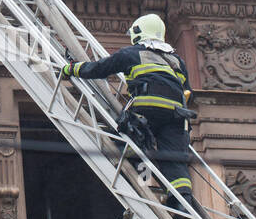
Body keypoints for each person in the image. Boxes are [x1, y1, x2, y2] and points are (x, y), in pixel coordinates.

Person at [61, 14, 193, 203]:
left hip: (148, 109)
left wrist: (72, 69)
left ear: (138, 33)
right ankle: (182, 203)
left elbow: (100, 68)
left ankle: (141, 178)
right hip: (177, 116)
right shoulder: (177, 61)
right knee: (174, 161)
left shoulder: (132, 53)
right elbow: (188, 92)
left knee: (129, 142)